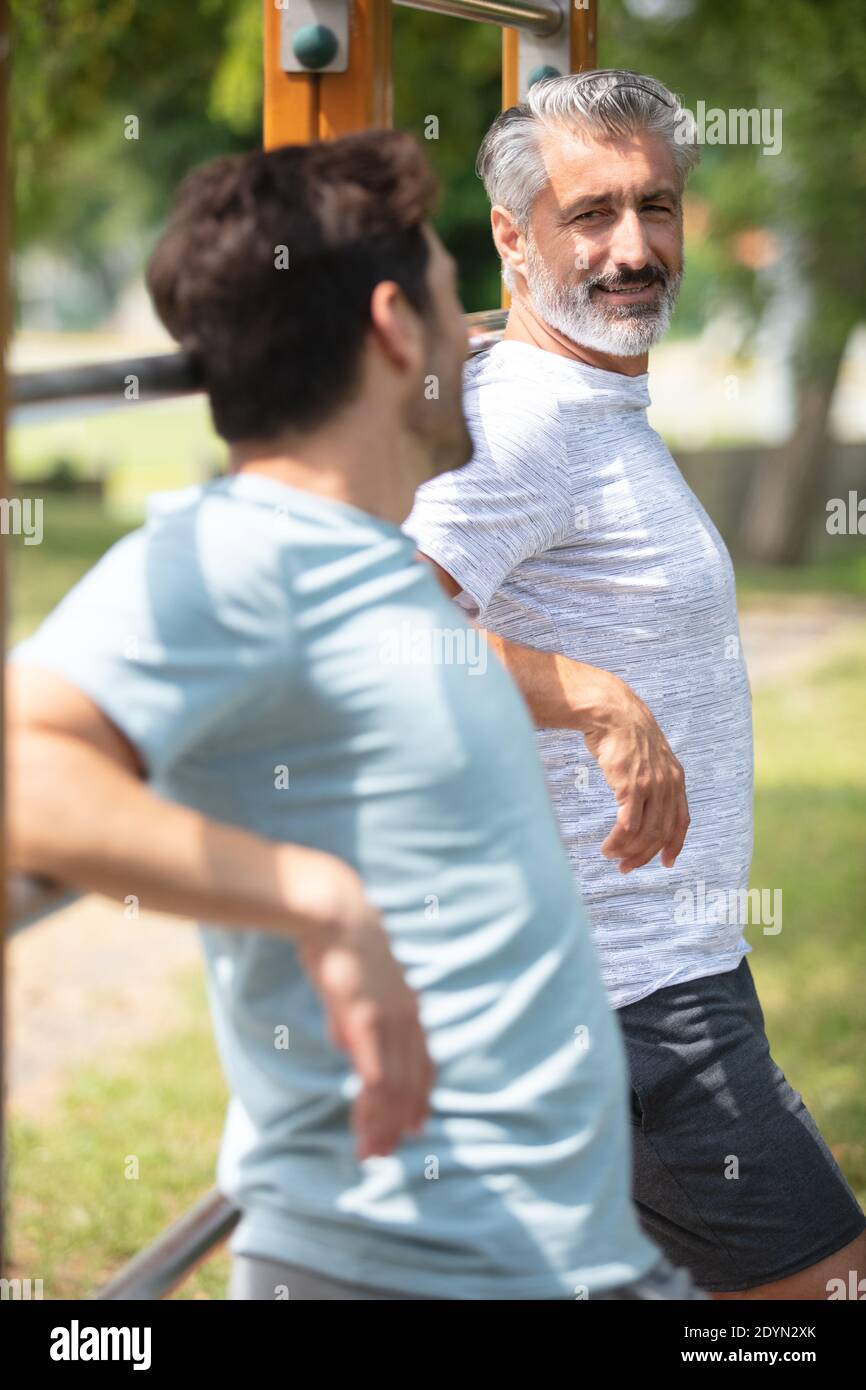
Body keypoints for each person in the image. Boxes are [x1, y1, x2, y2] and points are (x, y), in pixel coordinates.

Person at [7, 131, 703, 1300]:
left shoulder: (372, 560)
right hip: (408, 1273)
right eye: (449, 299)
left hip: (550, 1268)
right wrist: (312, 900)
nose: (475, 334)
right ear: (393, 328)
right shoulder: (243, 550)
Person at [405, 69, 866, 1298]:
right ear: (511, 235)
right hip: (618, 996)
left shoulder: (581, 394)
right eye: (589, 214)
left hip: (666, 965)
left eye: (653, 207)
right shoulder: (522, 420)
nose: (632, 249)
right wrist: (592, 698)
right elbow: (378, 625)